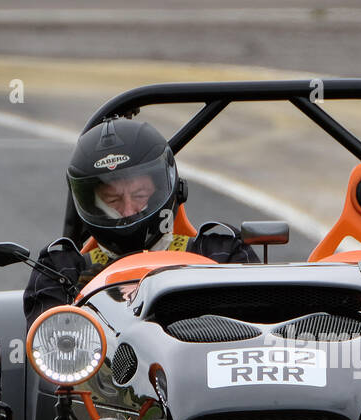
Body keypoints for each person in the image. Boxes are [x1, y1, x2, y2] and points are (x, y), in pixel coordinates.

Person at [24, 118, 257, 326]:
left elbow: (261, 332)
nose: (128, 210)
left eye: (139, 195)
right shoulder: (61, 269)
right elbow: (49, 352)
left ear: (161, 191)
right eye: (112, 199)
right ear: (91, 204)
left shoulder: (221, 253)